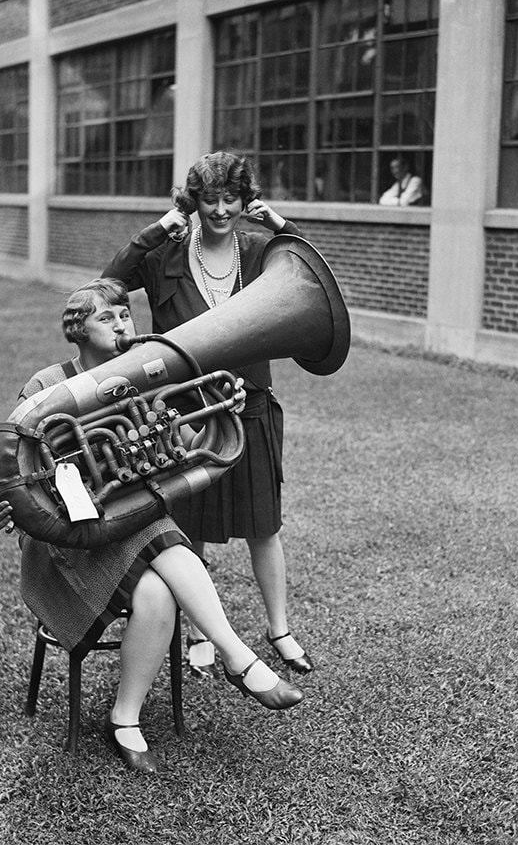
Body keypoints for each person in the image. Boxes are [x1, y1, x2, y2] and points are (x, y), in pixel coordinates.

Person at [0, 278, 303, 775]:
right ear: (77, 331)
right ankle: (240, 660)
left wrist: (223, 409)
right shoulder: (47, 387)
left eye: (124, 314)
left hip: (126, 523)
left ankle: (124, 720)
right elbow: (11, 465)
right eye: (104, 317)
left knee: (158, 587)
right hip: (65, 546)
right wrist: (8, 504)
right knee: (159, 531)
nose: (120, 323)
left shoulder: (146, 377)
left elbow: (180, 445)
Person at [103, 151, 314, 678]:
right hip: (184, 413)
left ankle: (280, 629)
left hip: (252, 403)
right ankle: (199, 632)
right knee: (188, 522)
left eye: (231, 199)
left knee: (264, 525)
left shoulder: (263, 249)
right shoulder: (165, 255)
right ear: (192, 201)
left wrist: (283, 226)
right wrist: (154, 232)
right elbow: (109, 283)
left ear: (246, 199)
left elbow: (312, 274)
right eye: (209, 199)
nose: (221, 210)